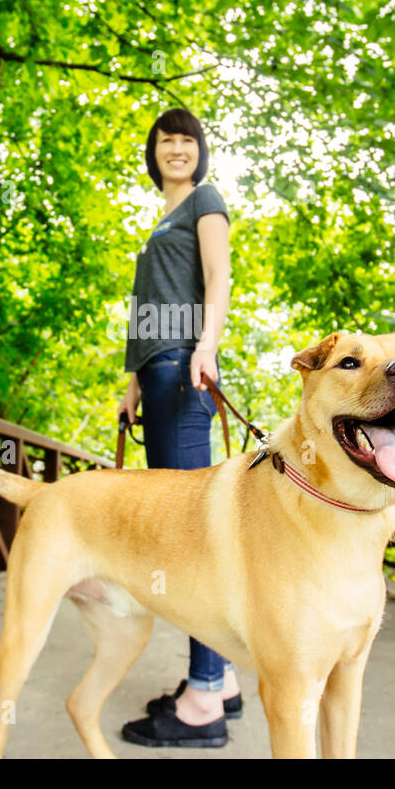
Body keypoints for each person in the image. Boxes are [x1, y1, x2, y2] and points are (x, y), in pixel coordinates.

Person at [115, 107, 240, 748]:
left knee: (190, 535)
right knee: (193, 527)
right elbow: (144, 314)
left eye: (187, 140)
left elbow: (217, 277)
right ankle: (224, 680)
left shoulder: (205, 202)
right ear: (153, 153)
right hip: (159, 373)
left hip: (185, 367)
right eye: (166, 141)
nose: (176, 148)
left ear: (201, 151)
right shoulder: (160, 222)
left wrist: (206, 346)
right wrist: (131, 385)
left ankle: (202, 701)